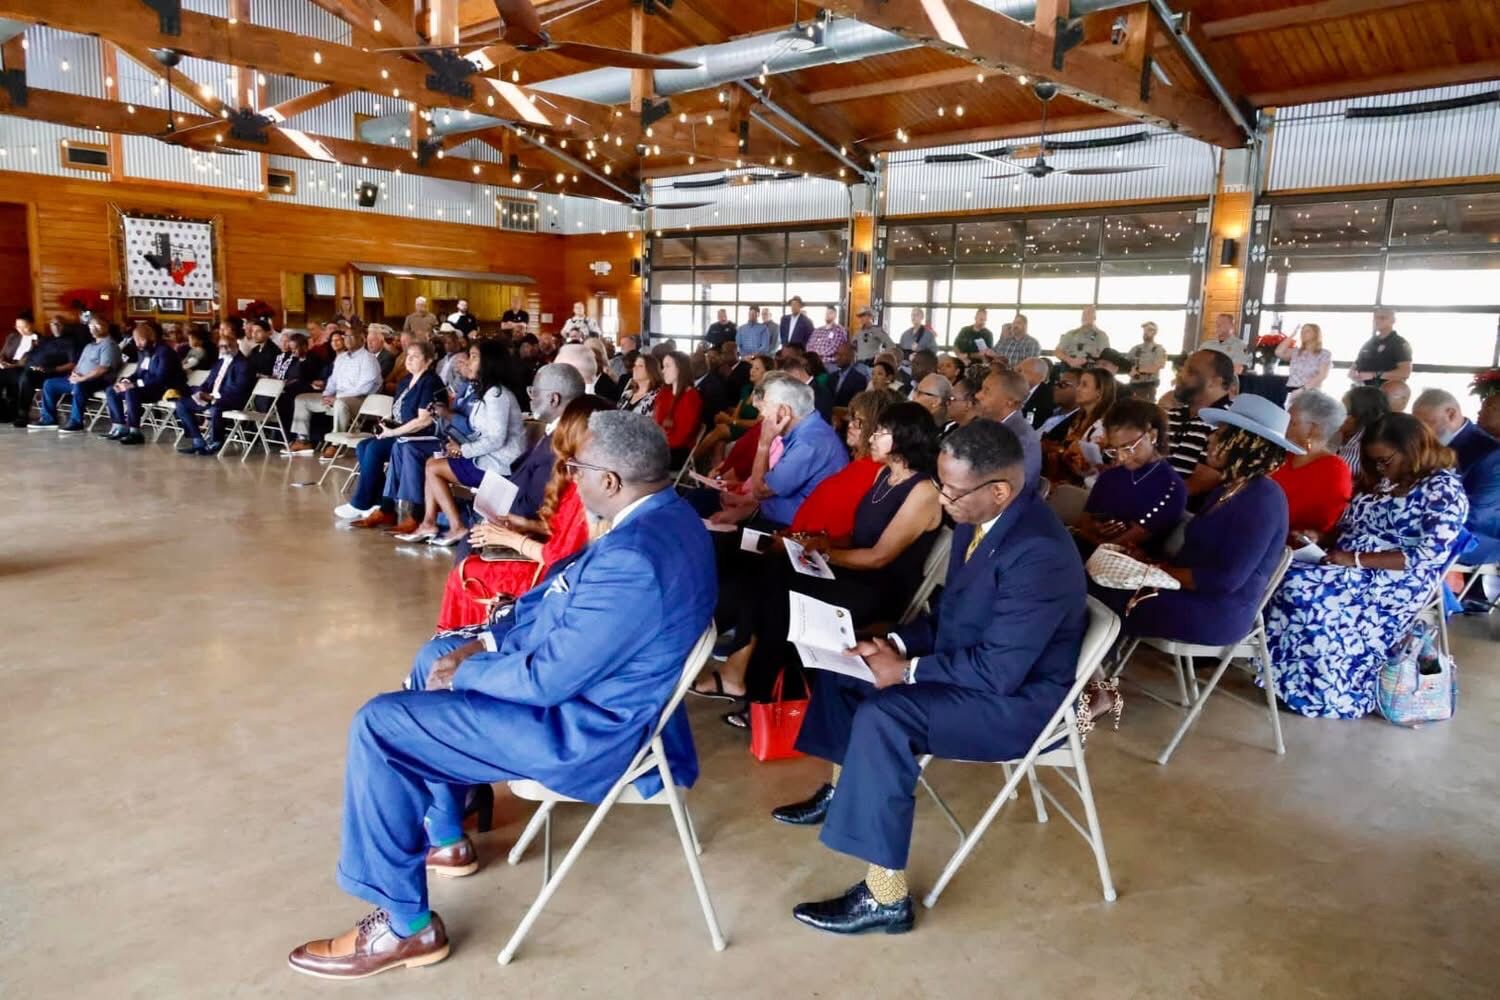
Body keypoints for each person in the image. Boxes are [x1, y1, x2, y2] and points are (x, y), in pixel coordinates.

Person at [288, 412, 714, 980]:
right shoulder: (667, 517)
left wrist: (466, 672)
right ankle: (444, 836)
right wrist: (483, 640)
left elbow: (546, 680)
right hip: (587, 692)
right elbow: (561, 596)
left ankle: (404, 927)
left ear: (610, 481)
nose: (571, 477)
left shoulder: (634, 556)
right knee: (430, 657)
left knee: (380, 726)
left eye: (578, 468)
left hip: (582, 731)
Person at [774, 418, 1087, 936]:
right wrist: (894, 645)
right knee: (846, 663)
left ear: (1000, 489)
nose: (941, 499)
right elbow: (952, 617)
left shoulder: (1039, 554)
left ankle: (885, 898)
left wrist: (909, 670)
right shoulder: (978, 518)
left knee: (885, 713)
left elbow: (1000, 670)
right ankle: (843, 786)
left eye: (951, 490)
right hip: (978, 672)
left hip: (1018, 704)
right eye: (940, 484)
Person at [696, 403, 943, 709]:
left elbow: (880, 556)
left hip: (878, 587)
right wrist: (821, 543)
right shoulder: (884, 474)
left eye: (881, 433)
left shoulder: (923, 491)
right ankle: (746, 675)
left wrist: (828, 555)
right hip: (852, 569)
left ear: (906, 438)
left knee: (778, 585)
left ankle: (754, 685)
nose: (872, 439)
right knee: (767, 566)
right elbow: (858, 534)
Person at [1267, 415, 1466, 719]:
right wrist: (1321, 537)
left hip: (1398, 579)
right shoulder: (1383, 480)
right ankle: (1292, 683)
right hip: (1349, 565)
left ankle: (1332, 692)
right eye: (1374, 462)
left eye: (1385, 460)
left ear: (1413, 448)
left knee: (1302, 588)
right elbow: (1351, 525)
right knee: (1278, 574)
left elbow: (1430, 554)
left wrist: (1356, 559)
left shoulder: (1441, 488)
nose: (1380, 468)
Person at [1092, 395, 1294, 647]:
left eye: (1220, 434)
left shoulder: (1263, 500)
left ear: (1244, 444)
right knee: (1092, 586)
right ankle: (1093, 679)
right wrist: (1148, 562)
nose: (1210, 439)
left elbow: (1224, 580)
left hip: (1216, 613)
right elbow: (1194, 557)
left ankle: (1093, 681)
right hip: (1188, 594)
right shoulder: (1226, 489)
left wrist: (1156, 572)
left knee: (1100, 595)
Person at [436, 396, 613, 629]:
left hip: (551, 577)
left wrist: (509, 538)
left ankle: (467, 636)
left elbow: (558, 557)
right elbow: (567, 531)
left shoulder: (587, 486)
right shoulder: (580, 475)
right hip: (549, 558)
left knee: (467, 571)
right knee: (473, 554)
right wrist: (525, 525)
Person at [400, 342, 529, 546]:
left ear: (489, 363)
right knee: (433, 463)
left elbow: (496, 439)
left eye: (474, 357)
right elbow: (479, 431)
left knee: (433, 468)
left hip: (500, 466)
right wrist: (457, 446)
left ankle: (454, 526)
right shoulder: (486, 391)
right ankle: (429, 522)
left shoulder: (496, 395)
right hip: (487, 458)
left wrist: (464, 450)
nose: (468, 362)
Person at [709, 375, 848, 530]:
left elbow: (760, 490)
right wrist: (745, 509)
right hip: (772, 514)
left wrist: (764, 443)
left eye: (764, 409)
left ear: (783, 411)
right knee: (705, 501)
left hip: (789, 531)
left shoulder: (809, 443)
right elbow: (771, 490)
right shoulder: (809, 430)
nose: (761, 417)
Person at [333, 341, 446, 528]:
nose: (408, 360)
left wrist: (393, 432)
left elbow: (423, 420)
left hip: (422, 436)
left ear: (428, 361)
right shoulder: (404, 381)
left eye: (415, 356)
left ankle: (363, 502)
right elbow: (397, 412)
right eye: (407, 356)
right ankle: (378, 501)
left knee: (375, 449)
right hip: (401, 432)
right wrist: (387, 422)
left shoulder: (430, 382)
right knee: (363, 445)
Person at [1074, 399, 1186, 556]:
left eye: (1128, 448)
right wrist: (1094, 528)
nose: (1121, 458)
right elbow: (1084, 522)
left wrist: (1090, 536)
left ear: (1152, 436)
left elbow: (1124, 543)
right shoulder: (1110, 476)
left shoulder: (1171, 487)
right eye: (1114, 449)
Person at [1413, 388, 1500, 570]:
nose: (1422, 432)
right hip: (1427, 524)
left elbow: (1478, 516)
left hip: (1473, 537)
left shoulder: (1491, 454)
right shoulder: (1432, 444)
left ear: (1451, 414)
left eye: (1428, 423)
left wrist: (1416, 522)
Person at [1272, 390, 1354, 546]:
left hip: (1291, 547)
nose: (1284, 426)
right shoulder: (1281, 453)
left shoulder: (1334, 471)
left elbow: (1325, 526)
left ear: (1313, 429)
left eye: (1292, 422)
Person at [285, 330, 383, 456]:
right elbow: (332, 380)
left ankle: (336, 444)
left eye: (350, 336)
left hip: (361, 400)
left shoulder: (368, 359)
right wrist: (326, 394)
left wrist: (337, 397)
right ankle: (303, 440)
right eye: (345, 336)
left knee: (340, 403)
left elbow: (365, 388)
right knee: (302, 399)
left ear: (361, 339)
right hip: (337, 396)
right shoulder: (341, 358)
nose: (346, 339)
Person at [171, 327, 255, 455]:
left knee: (216, 406)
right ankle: (198, 441)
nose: (225, 349)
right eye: (222, 347)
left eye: (228, 346)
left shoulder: (243, 364)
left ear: (236, 345)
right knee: (181, 403)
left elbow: (239, 389)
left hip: (231, 399)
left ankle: (216, 441)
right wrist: (200, 392)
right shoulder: (219, 362)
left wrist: (213, 398)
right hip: (211, 397)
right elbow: (208, 382)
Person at [1164, 349, 1236, 497]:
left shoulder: (1228, 423)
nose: (1180, 376)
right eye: (1182, 369)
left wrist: (1150, 505)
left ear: (1215, 382)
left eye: (1190, 372)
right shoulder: (1171, 415)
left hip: (1187, 515)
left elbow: (1201, 482)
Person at [102, 322, 185, 445]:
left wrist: (133, 385)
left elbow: (160, 378)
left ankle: (135, 431)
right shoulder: (144, 352)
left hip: (162, 389)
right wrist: (126, 380)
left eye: (140, 340)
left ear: (150, 337)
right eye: (136, 340)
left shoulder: (164, 352)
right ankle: (119, 426)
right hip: (144, 388)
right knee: (112, 390)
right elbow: (138, 373)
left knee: (131, 392)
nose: (138, 344)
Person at [34, 317, 121, 432]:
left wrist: (82, 379)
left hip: (98, 380)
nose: (93, 328)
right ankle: (48, 419)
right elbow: (78, 365)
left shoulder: (109, 345)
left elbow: (103, 369)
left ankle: (76, 422)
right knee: (49, 384)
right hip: (80, 379)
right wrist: (74, 375)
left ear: (106, 326)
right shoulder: (89, 346)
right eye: (91, 326)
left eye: (97, 325)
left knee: (80, 386)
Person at [1047, 367, 1116, 486]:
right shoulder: (1078, 419)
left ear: (1099, 392)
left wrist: (1058, 450)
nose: (1078, 389)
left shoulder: (1103, 427)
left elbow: (1088, 467)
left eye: (1084, 385)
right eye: (1078, 384)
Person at [974, 369, 1041, 491]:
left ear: (1010, 401)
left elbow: (1010, 491)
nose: (977, 395)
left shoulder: (1020, 438)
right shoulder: (990, 425)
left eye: (986, 391)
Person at [3, 318, 78, 427]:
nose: (55, 326)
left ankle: (22, 414)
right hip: (28, 367)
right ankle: (3, 412)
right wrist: (15, 365)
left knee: (26, 377)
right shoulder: (46, 340)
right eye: (52, 323)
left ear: (65, 326)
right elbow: (29, 354)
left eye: (58, 324)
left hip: (49, 372)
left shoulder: (71, 342)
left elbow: (72, 363)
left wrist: (51, 369)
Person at [654, 350, 703, 467]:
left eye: (667, 366)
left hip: (677, 451)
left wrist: (657, 444)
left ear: (680, 368)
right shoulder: (664, 393)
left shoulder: (691, 396)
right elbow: (656, 423)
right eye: (663, 366)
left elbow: (682, 436)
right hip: (662, 446)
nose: (663, 370)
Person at [1348, 307, 1411, 387]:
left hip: (1384, 391)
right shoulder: (1369, 342)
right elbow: (1357, 364)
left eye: (1382, 318)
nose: (1377, 321)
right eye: (1375, 318)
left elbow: (1405, 373)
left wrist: (1375, 375)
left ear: (1393, 321)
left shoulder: (1399, 343)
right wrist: (1352, 371)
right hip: (1362, 389)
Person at [1336, 385, 1389, 479]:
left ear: (1360, 417)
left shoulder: (1368, 450)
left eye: (1343, 411)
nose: (1336, 415)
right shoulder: (1337, 435)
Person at [1275, 323, 1331, 403]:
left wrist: (1302, 390)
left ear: (1316, 334)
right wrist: (1292, 335)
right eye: (1302, 331)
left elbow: (1322, 375)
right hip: (1292, 392)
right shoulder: (1295, 352)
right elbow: (1278, 352)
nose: (1303, 333)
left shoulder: (1324, 353)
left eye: (1307, 331)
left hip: (1311, 394)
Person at [781, 355, 834, 422]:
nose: (786, 384)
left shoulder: (818, 392)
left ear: (796, 374)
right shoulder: (811, 389)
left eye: (787, 379)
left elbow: (818, 420)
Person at [1127, 321, 1167, 397]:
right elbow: (1125, 363)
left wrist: (1138, 370)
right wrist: (1129, 370)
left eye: (1149, 330)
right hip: (1133, 385)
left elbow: (1155, 368)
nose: (1146, 332)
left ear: (1155, 332)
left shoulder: (1159, 349)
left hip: (1148, 386)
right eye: (1144, 330)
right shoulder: (1136, 348)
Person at [1038, 368, 1080, 439]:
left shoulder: (1078, 422)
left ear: (1080, 389)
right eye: (1057, 383)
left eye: (1063, 384)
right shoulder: (1049, 410)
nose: (1055, 387)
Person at [830, 343, 869, 410]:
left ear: (851, 357)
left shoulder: (859, 379)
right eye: (837, 354)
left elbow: (856, 404)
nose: (838, 358)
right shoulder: (832, 376)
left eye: (842, 355)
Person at [1018, 356, 1054, 427]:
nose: (1017, 374)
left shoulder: (1047, 397)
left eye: (1021, 371)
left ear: (1038, 376)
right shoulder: (1014, 388)